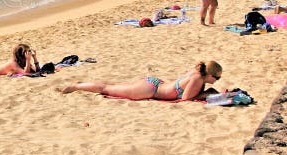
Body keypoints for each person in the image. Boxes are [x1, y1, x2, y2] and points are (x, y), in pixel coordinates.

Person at [59, 61, 223, 102]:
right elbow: (186, 98)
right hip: (150, 90)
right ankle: (76, 86)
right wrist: (206, 95)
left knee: (111, 87)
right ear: (209, 75)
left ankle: (80, 84)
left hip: (153, 83)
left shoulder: (197, 73)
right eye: (217, 78)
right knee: (107, 89)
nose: (217, 80)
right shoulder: (197, 78)